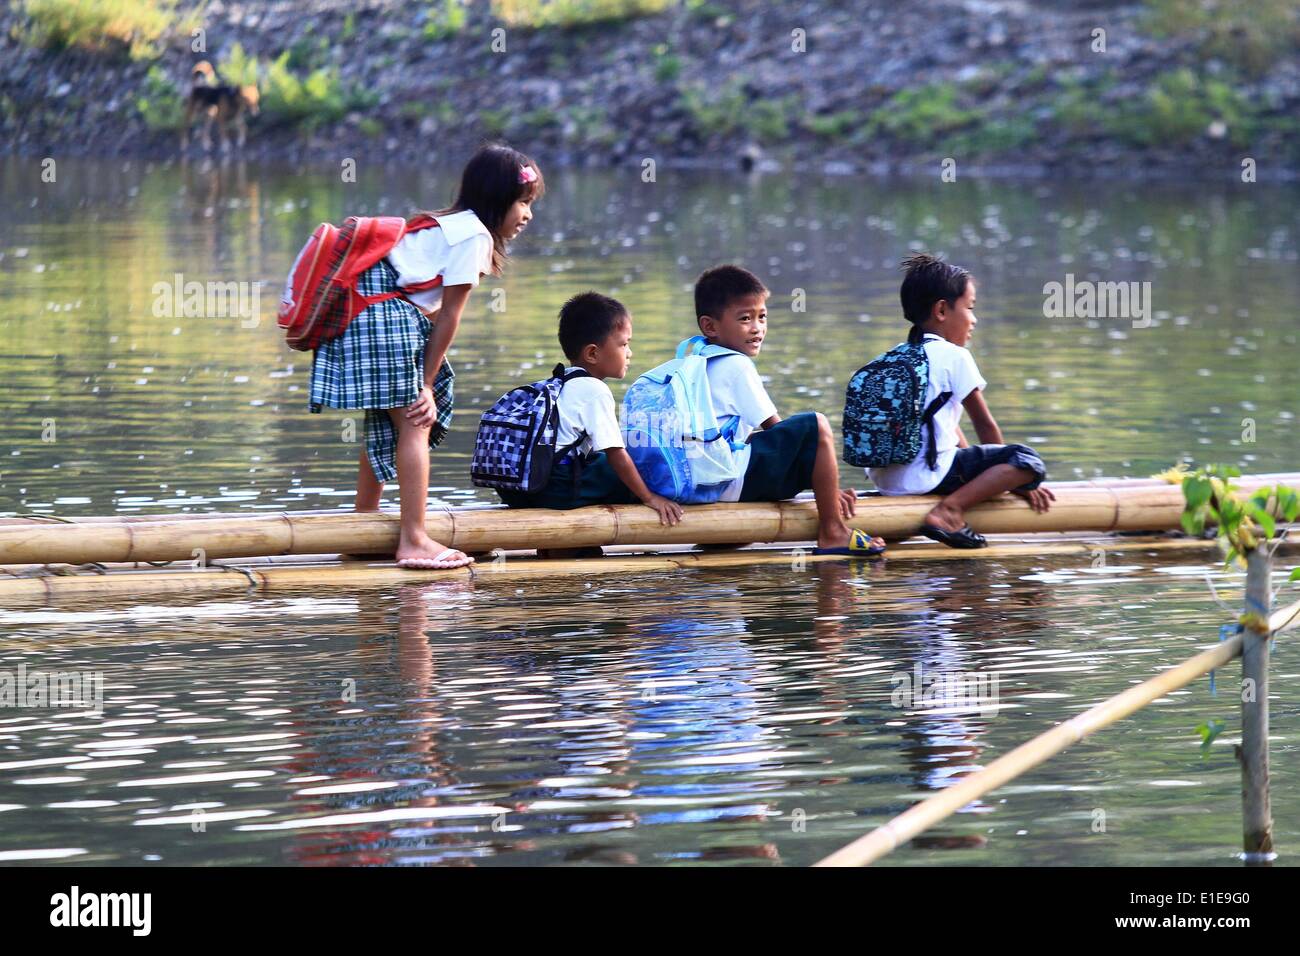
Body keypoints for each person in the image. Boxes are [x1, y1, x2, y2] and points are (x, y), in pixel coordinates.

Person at [307, 144, 542, 569]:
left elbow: (428, 306)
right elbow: (449, 316)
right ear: (495, 198)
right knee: (418, 418)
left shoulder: (449, 224)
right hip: (383, 313)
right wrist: (428, 386)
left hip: (364, 308)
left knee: (389, 417)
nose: (527, 215)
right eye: (522, 203)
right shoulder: (474, 236)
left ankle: (364, 523)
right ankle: (413, 539)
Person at [691, 265, 885, 556]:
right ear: (710, 327)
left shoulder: (693, 359)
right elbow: (781, 432)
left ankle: (723, 538)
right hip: (724, 482)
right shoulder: (736, 365)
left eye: (762, 317)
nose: (757, 328)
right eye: (745, 319)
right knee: (815, 427)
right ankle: (833, 531)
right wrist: (830, 492)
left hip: (698, 481)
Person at [868, 253, 1053, 548]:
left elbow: (946, 429)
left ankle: (900, 528)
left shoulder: (892, 357)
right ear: (942, 310)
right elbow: (986, 428)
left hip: (887, 483)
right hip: (927, 478)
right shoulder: (955, 357)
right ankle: (949, 511)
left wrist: (988, 475)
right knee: (1027, 459)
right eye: (969, 308)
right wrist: (1017, 480)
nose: (974, 319)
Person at [497, 292, 683, 527]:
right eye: (624, 344)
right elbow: (616, 453)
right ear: (593, 353)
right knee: (633, 461)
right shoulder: (595, 390)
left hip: (521, 491)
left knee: (602, 459)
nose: (629, 352)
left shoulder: (561, 382)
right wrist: (650, 497)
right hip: (555, 491)